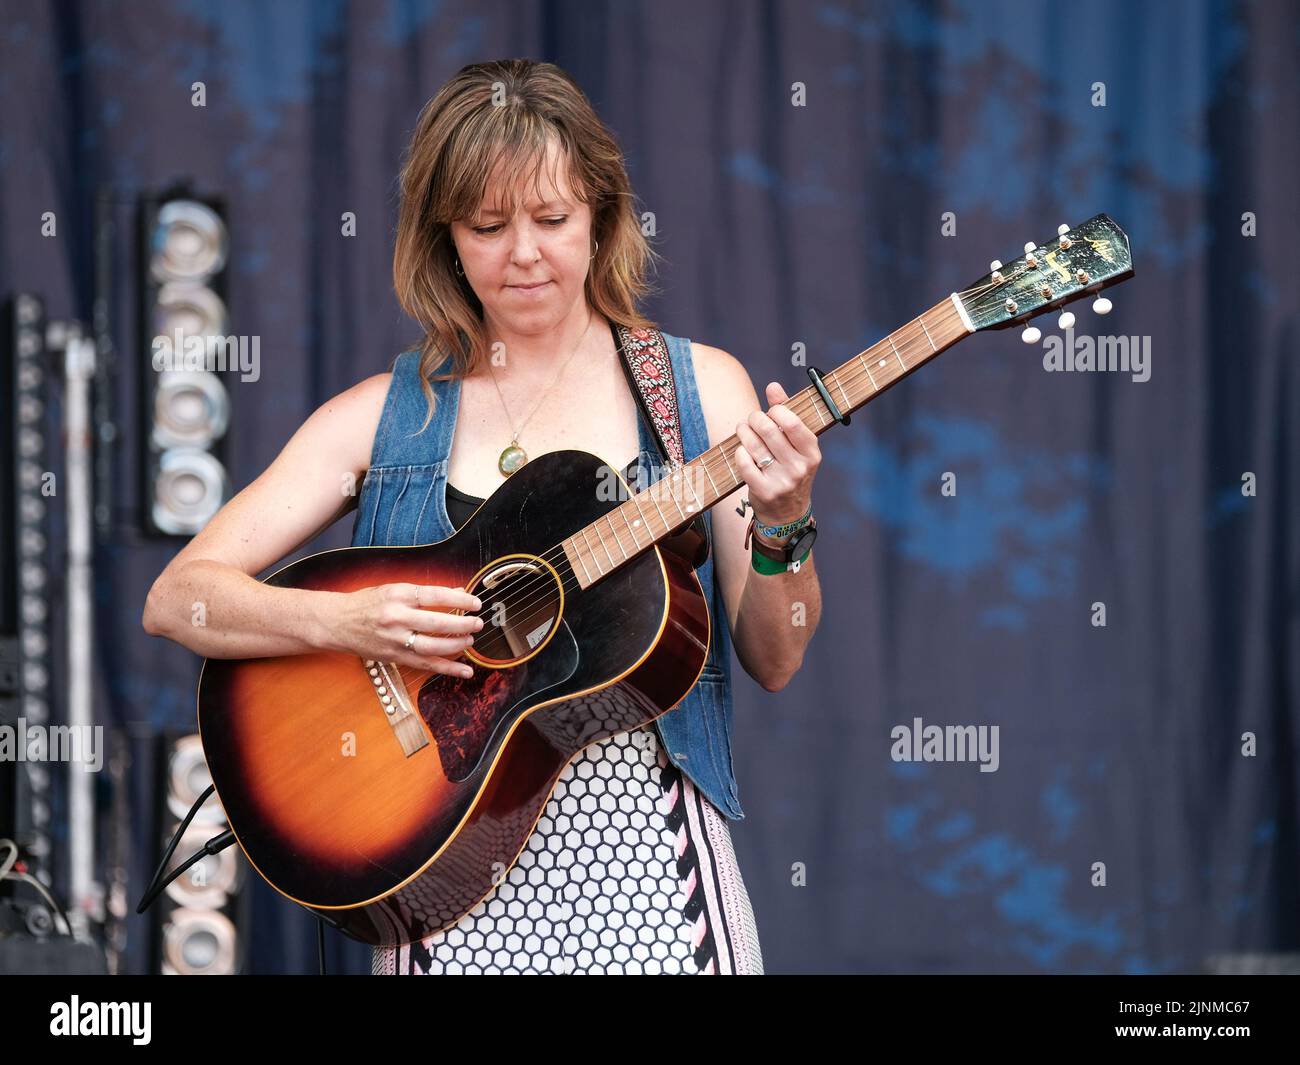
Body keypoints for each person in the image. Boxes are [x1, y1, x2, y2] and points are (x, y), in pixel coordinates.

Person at [143, 58, 823, 975]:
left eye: (552, 218)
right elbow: (178, 599)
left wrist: (783, 525)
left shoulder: (699, 394)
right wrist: (345, 619)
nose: (526, 253)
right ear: (444, 237)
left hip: (658, 879)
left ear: (603, 217)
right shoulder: (381, 417)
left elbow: (775, 658)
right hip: (439, 881)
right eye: (488, 225)